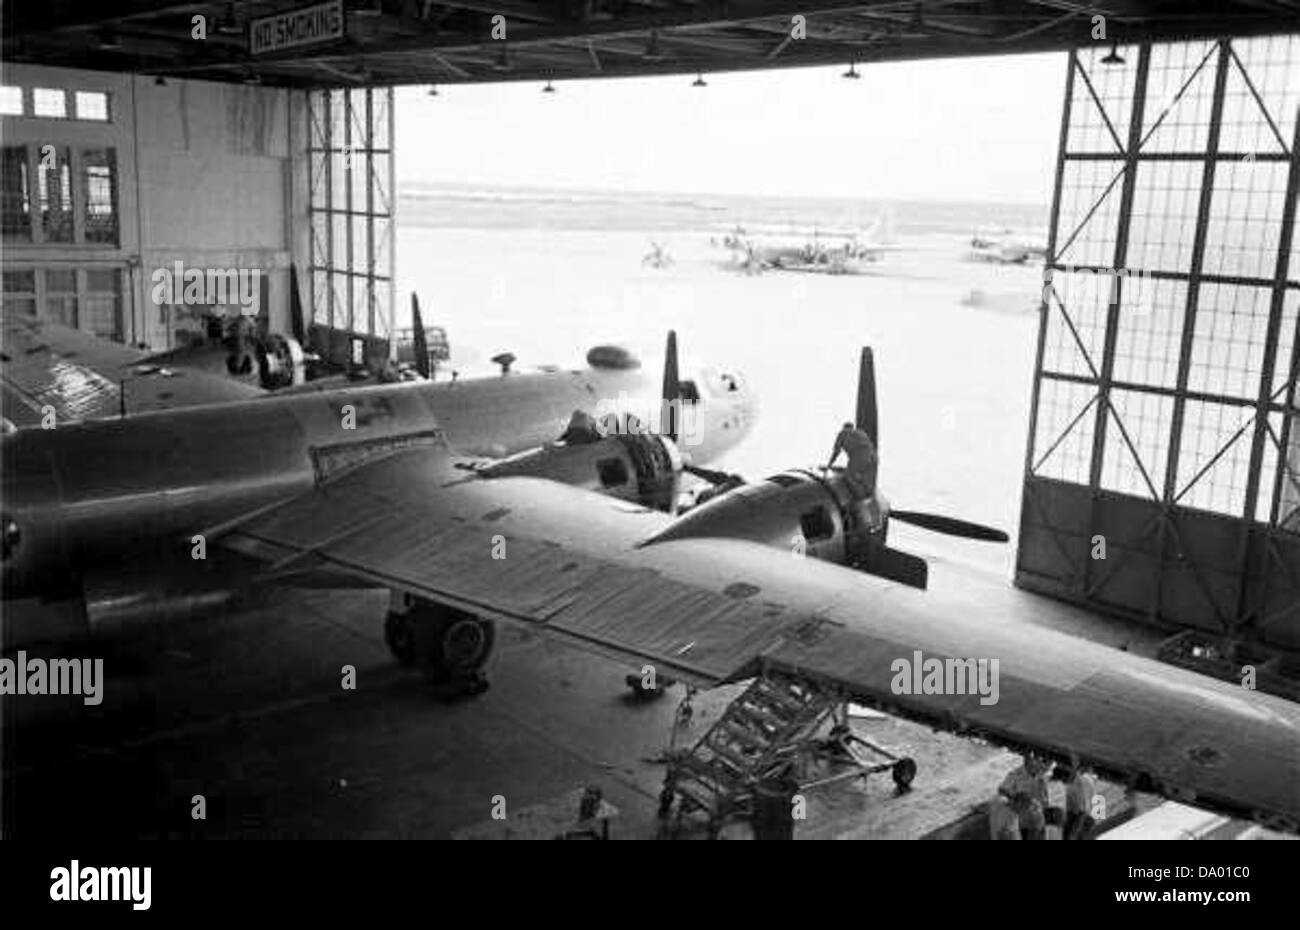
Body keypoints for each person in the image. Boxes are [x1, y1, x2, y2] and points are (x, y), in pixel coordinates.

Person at [998, 754, 1050, 840]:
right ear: (1026, 761)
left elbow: (1045, 798)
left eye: (1039, 760)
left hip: (1038, 820)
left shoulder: (1041, 775)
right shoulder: (1015, 775)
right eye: (1034, 760)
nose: (1038, 763)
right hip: (1023, 822)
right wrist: (1014, 802)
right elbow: (1002, 792)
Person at [826, 422, 879, 500]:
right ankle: (869, 499)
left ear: (844, 427)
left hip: (860, 454)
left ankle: (858, 498)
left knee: (849, 476)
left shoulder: (843, 433)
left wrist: (829, 464)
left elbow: (836, 451)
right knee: (867, 481)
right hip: (873, 455)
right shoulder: (861, 432)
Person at [1063, 757, 1099, 840]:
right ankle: (1080, 767)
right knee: (1078, 789)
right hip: (1084, 817)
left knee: (1074, 789)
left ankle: (1078, 766)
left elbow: (1072, 834)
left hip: (1080, 816)